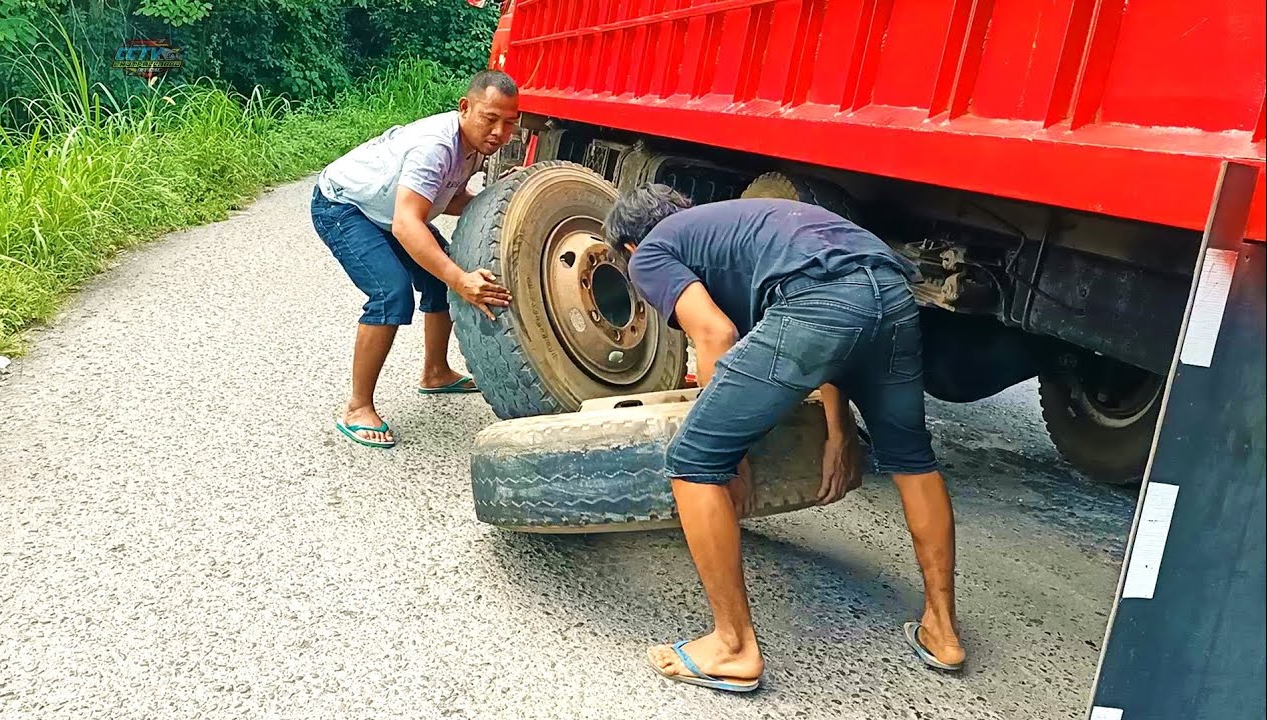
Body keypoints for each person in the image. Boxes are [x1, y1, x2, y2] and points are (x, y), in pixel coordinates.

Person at [603, 185, 965, 692]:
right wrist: (839, 434)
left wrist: (732, 450)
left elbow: (714, 335)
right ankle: (943, 631)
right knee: (911, 458)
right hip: (891, 291)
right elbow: (838, 332)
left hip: (826, 298)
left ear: (627, 248)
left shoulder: (650, 251)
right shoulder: (743, 225)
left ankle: (732, 646)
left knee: (692, 460)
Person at [311, 70, 518, 448]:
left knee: (440, 278)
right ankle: (357, 407)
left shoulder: (474, 148)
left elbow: (445, 197)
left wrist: (500, 200)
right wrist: (461, 280)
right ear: (465, 107)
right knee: (392, 293)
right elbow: (408, 224)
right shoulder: (435, 147)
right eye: (490, 119)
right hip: (343, 206)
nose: (499, 132)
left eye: (509, 124)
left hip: (389, 212)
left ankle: (436, 372)